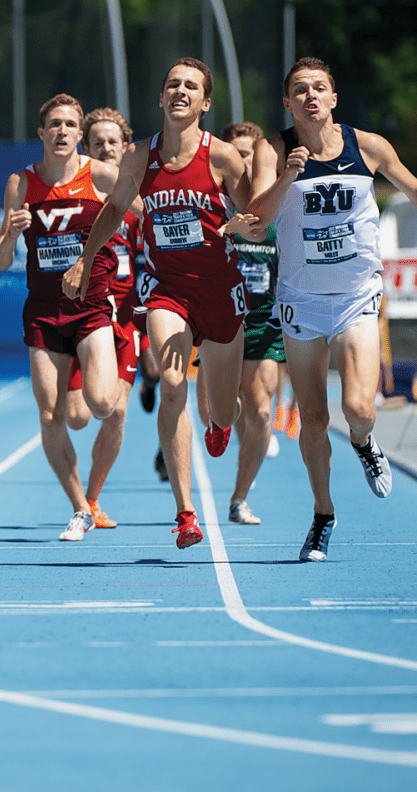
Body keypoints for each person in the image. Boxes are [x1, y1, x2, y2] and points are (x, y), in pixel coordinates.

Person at [254, 57, 417, 561]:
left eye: (320, 88)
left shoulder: (368, 146)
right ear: (288, 103)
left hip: (356, 296)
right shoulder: (274, 150)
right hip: (301, 300)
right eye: (299, 90)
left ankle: (362, 441)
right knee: (311, 418)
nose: (311, 96)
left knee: (358, 407)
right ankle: (322, 514)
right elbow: (256, 219)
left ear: (334, 99)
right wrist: (287, 178)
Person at [64, 59, 262, 550]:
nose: (180, 91)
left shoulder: (222, 159)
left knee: (221, 409)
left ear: (205, 102)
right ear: (161, 97)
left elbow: (257, 215)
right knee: (172, 382)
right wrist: (85, 261)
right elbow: (113, 211)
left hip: (220, 291)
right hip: (167, 289)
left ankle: (219, 421)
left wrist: (246, 224)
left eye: (191, 86)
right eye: (172, 83)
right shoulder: (137, 157)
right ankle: (185, 513)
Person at [0, 95, 121, 541]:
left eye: (70, 125)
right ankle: (80, 508)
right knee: (51, 415)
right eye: (55, 124)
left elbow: (143, 211)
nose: (63, 131)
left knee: (102, 403)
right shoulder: (21, 183)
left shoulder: (102, 174)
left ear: (79, 135)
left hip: (90, 305)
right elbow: (2, 258)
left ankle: (92, 379)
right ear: (42, 133)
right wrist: (11, 231)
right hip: (45, 312)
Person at [56, 106, 143, 529]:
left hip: (124, 318)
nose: (106, 148)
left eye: (113, 142)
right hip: (82, 312)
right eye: (97, 142)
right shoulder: (77, 190)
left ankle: (91, 499)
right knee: (77, 416)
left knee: (117, 412)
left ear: (126, 148)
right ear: (85, 148)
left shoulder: (138, 198)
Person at [223, 122, 284, 526]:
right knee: (227, 413)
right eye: (236, 154)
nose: (244, 162)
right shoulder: (211, 203)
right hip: (220, 324)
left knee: (261, 413)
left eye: (250, 154)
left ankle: (239, 498)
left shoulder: (281, 209)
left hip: (264, 323)